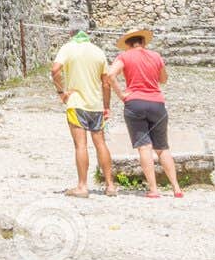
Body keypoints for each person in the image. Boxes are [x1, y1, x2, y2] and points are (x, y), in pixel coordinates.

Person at [107, 29, 182, 198]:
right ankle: (176, 188)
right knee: (162, 148)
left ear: (128, 44)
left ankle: (154, 189)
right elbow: (163, 79)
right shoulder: (156, 56)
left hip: (135, 103)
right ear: (143, 42)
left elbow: (110, 75)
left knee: (144, 146)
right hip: (157, 103)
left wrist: (121, 94)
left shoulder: (124, 57)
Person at [51, 29, 115, 197]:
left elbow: (55, 70)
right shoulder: (98, 52)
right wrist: (106, 105)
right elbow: (106, 83)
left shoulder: (68, 48)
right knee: (100, 143)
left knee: (81, 145)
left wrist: (61, 92)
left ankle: (82, 186)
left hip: (76, 103)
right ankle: (110, 185)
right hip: (96, 105)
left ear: (72, 33)